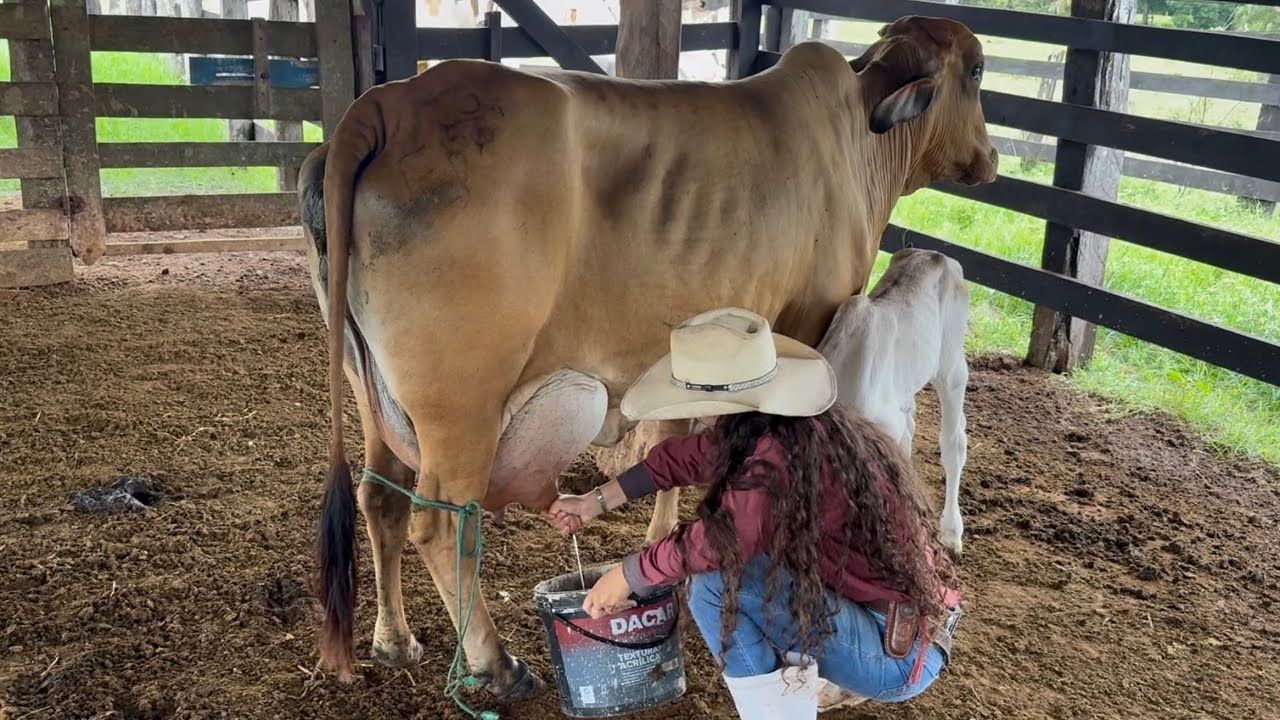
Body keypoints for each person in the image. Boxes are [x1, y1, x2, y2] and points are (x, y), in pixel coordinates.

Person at [544, 307, 963, 719]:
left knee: (715, 583)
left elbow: (720, 540)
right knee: (740, 574)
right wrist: (592, 502)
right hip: (902, 625)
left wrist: (628, 575)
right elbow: (680, 460)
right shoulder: (783, 426)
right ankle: (787, 701)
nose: (691, 413)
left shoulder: (778, 456)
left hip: (895, 649)